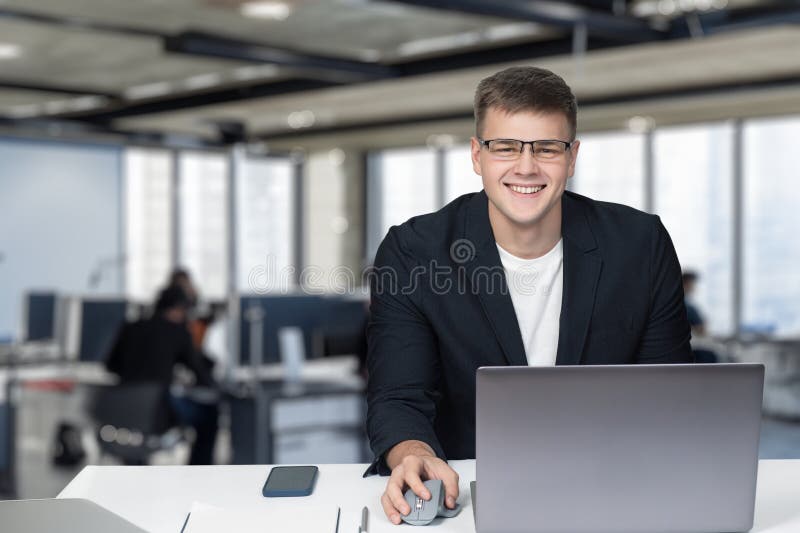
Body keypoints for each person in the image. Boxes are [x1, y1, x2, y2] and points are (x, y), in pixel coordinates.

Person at [365, 66, 693, 524]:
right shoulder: (414, 251)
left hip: (612, 489)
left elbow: (670, 392)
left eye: (546, 148)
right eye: (505, 147)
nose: (525, 167)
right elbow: (399, 395)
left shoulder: (640, 244)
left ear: (572, 156)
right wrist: (412, 452)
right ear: (477, 155)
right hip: (469, 497)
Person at [105, 286, 218, 465]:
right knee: (209, 415)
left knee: (139, 431)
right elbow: (198, 371)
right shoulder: (178, 331)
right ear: (179, 309)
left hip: (122, 412)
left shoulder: (130, 327)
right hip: (156, 411)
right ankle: (199, 474)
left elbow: (110, 366)